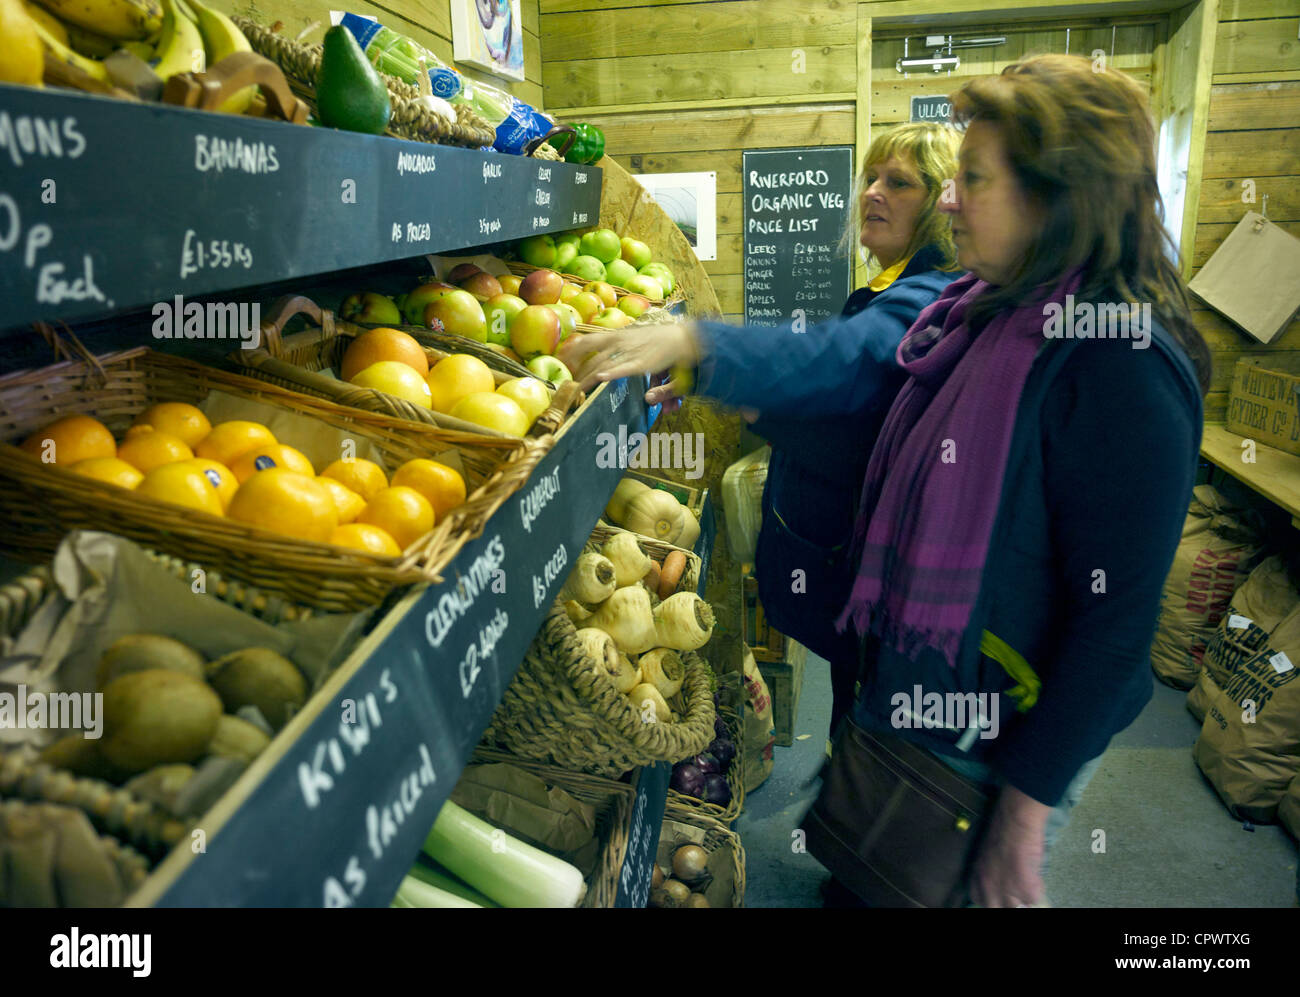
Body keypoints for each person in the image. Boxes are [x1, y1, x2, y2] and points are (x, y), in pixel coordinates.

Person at [565, 53, 1209, 909]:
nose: (948, 200)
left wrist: (1021, 818)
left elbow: (1116, 628)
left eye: (971, 179)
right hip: (916, 684)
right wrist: (719, 373)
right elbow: (866, 391)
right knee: (874, 870)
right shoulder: (978, 315)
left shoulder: (1126, 367)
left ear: (1056, 199)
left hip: (999, 731)